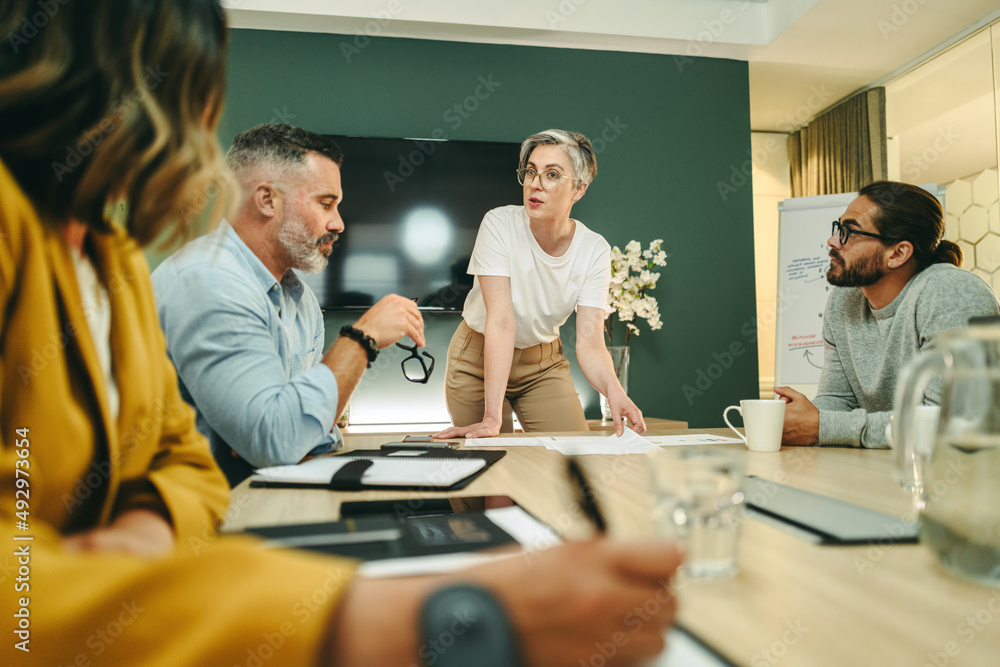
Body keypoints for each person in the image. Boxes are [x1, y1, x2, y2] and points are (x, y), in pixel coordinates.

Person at [0, 2, 681, 664]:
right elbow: (20, 594)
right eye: (187, 98)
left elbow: (183, 457)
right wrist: (360, 339)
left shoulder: (115, 257)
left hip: (159, 584)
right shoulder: (168, 271)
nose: (200, 141)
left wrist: (148, 525)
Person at [151, 124, 422, 486]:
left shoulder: (302, 300)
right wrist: (363, 337)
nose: (338, 223)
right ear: (267, 200)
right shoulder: (208, 280)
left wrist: (290, 429)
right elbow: (278, 442)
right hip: (199, 513)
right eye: (326, 204)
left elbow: (309, 433)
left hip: (262, 498)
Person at [435, 130, 645, 440]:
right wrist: (492, 418)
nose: (535, 183)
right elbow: (501, 321)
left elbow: (590, 341)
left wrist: (615, 390)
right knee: (492, 457)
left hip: (543, 366)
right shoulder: (499, 225)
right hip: (477, 360)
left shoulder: (594, 250)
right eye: (531, 171)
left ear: (579, 189)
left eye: (552, 175)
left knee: (573, 456)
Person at [776, 181, 1000, 448]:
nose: (832, 241)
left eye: (850, 231)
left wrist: (821, 426)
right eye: (838, 228)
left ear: (898, 253)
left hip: (958, 469)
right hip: (885, 464)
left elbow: (955, 422)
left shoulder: (953, 293)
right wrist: (799, 418)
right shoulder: (843, 300)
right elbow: (836, 399)